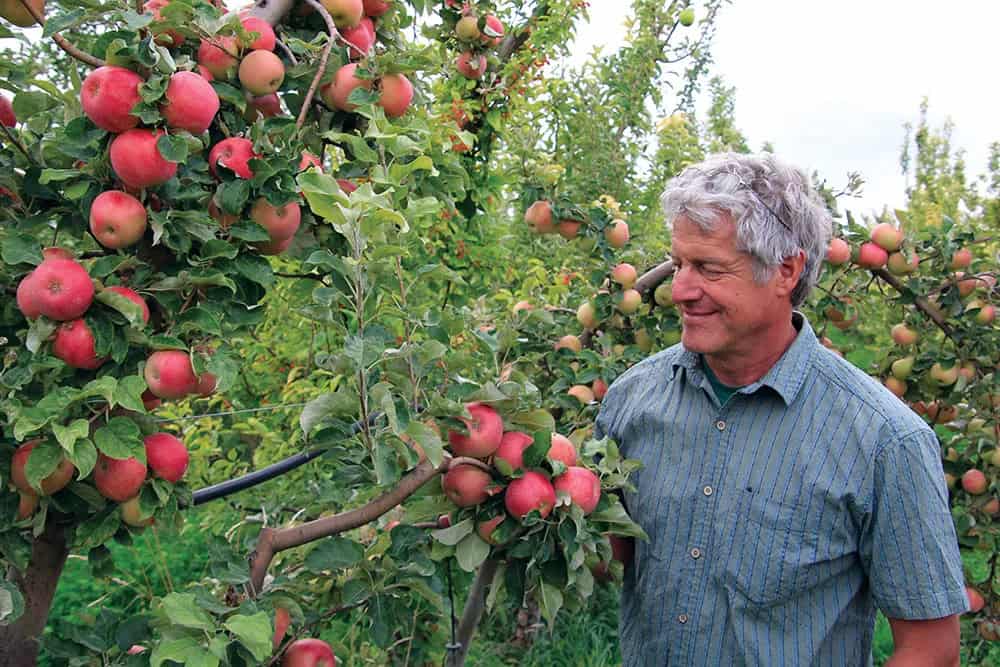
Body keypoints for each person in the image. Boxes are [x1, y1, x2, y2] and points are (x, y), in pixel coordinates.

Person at [595, 153, 967, 666]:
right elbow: (612, 555)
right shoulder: (633, 398)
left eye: (708, 268)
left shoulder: (885, 441)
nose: (679, 289)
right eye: (679, 263)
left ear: (785, 271)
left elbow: (931, 646)